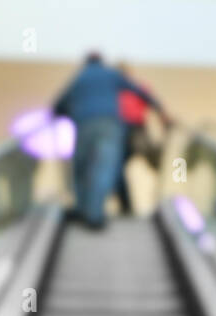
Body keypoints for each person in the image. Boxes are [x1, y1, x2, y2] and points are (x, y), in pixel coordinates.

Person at [53, 53, 169, 228]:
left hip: (85, 126)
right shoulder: (111, 75)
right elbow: (140, 92)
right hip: (111, 128)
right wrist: (161, 111)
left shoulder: (80, 77)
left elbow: (59, 105)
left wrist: (68, 114)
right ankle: (96, 214)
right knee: (104, 168)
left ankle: (85, 209)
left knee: (83, 167)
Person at [114, 62, 154, 216]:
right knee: (118, 169)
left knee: (117, 168)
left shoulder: (128, 88)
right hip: (131, 131)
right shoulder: (136, 87)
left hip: (131, 131)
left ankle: (126, 206)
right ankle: (126, 206)